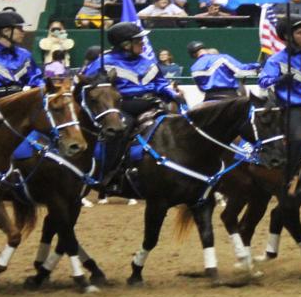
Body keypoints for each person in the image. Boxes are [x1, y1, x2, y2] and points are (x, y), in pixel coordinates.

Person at [83, 21, 179, 194]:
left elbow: (161, 83)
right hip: (123, 108)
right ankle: (105, 175)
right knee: (117, 134)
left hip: (153, 104)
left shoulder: (148, 61)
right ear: (125, 45)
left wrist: (173, 93)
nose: (143, 44)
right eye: (138, 41)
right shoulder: (103, 63)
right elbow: (90, 89)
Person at [258, 16, 301, 179]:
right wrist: (280, 79)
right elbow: (263, 81)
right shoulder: (277, 60)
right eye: (300, 33)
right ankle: (292, 179)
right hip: (296, 110)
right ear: (288, 36)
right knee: (298, 140)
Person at [187, 41, 255, 101]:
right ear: (205, 49)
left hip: (208, 98)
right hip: (229, 96)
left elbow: (201, 89)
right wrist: (257, 66)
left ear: (193, 55)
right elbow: (241, 71)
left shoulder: (194, 68)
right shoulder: (222, 58)